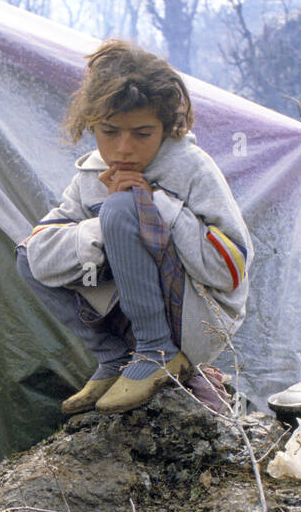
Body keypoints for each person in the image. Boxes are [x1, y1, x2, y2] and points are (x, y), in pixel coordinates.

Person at [16, 39, 252, 415]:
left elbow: (232, 269)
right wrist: (105, 224)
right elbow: (41, 253)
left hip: (197, 319)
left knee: (125, 206)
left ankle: (156, 352)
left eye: (142, 134)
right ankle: (115, 359)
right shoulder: (91, 174)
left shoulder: (191, 166)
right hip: (129, 318)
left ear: (165, 128)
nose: (124, 149)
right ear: (92, 125)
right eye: (110, 132)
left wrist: (155, 205)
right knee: (27, 255)